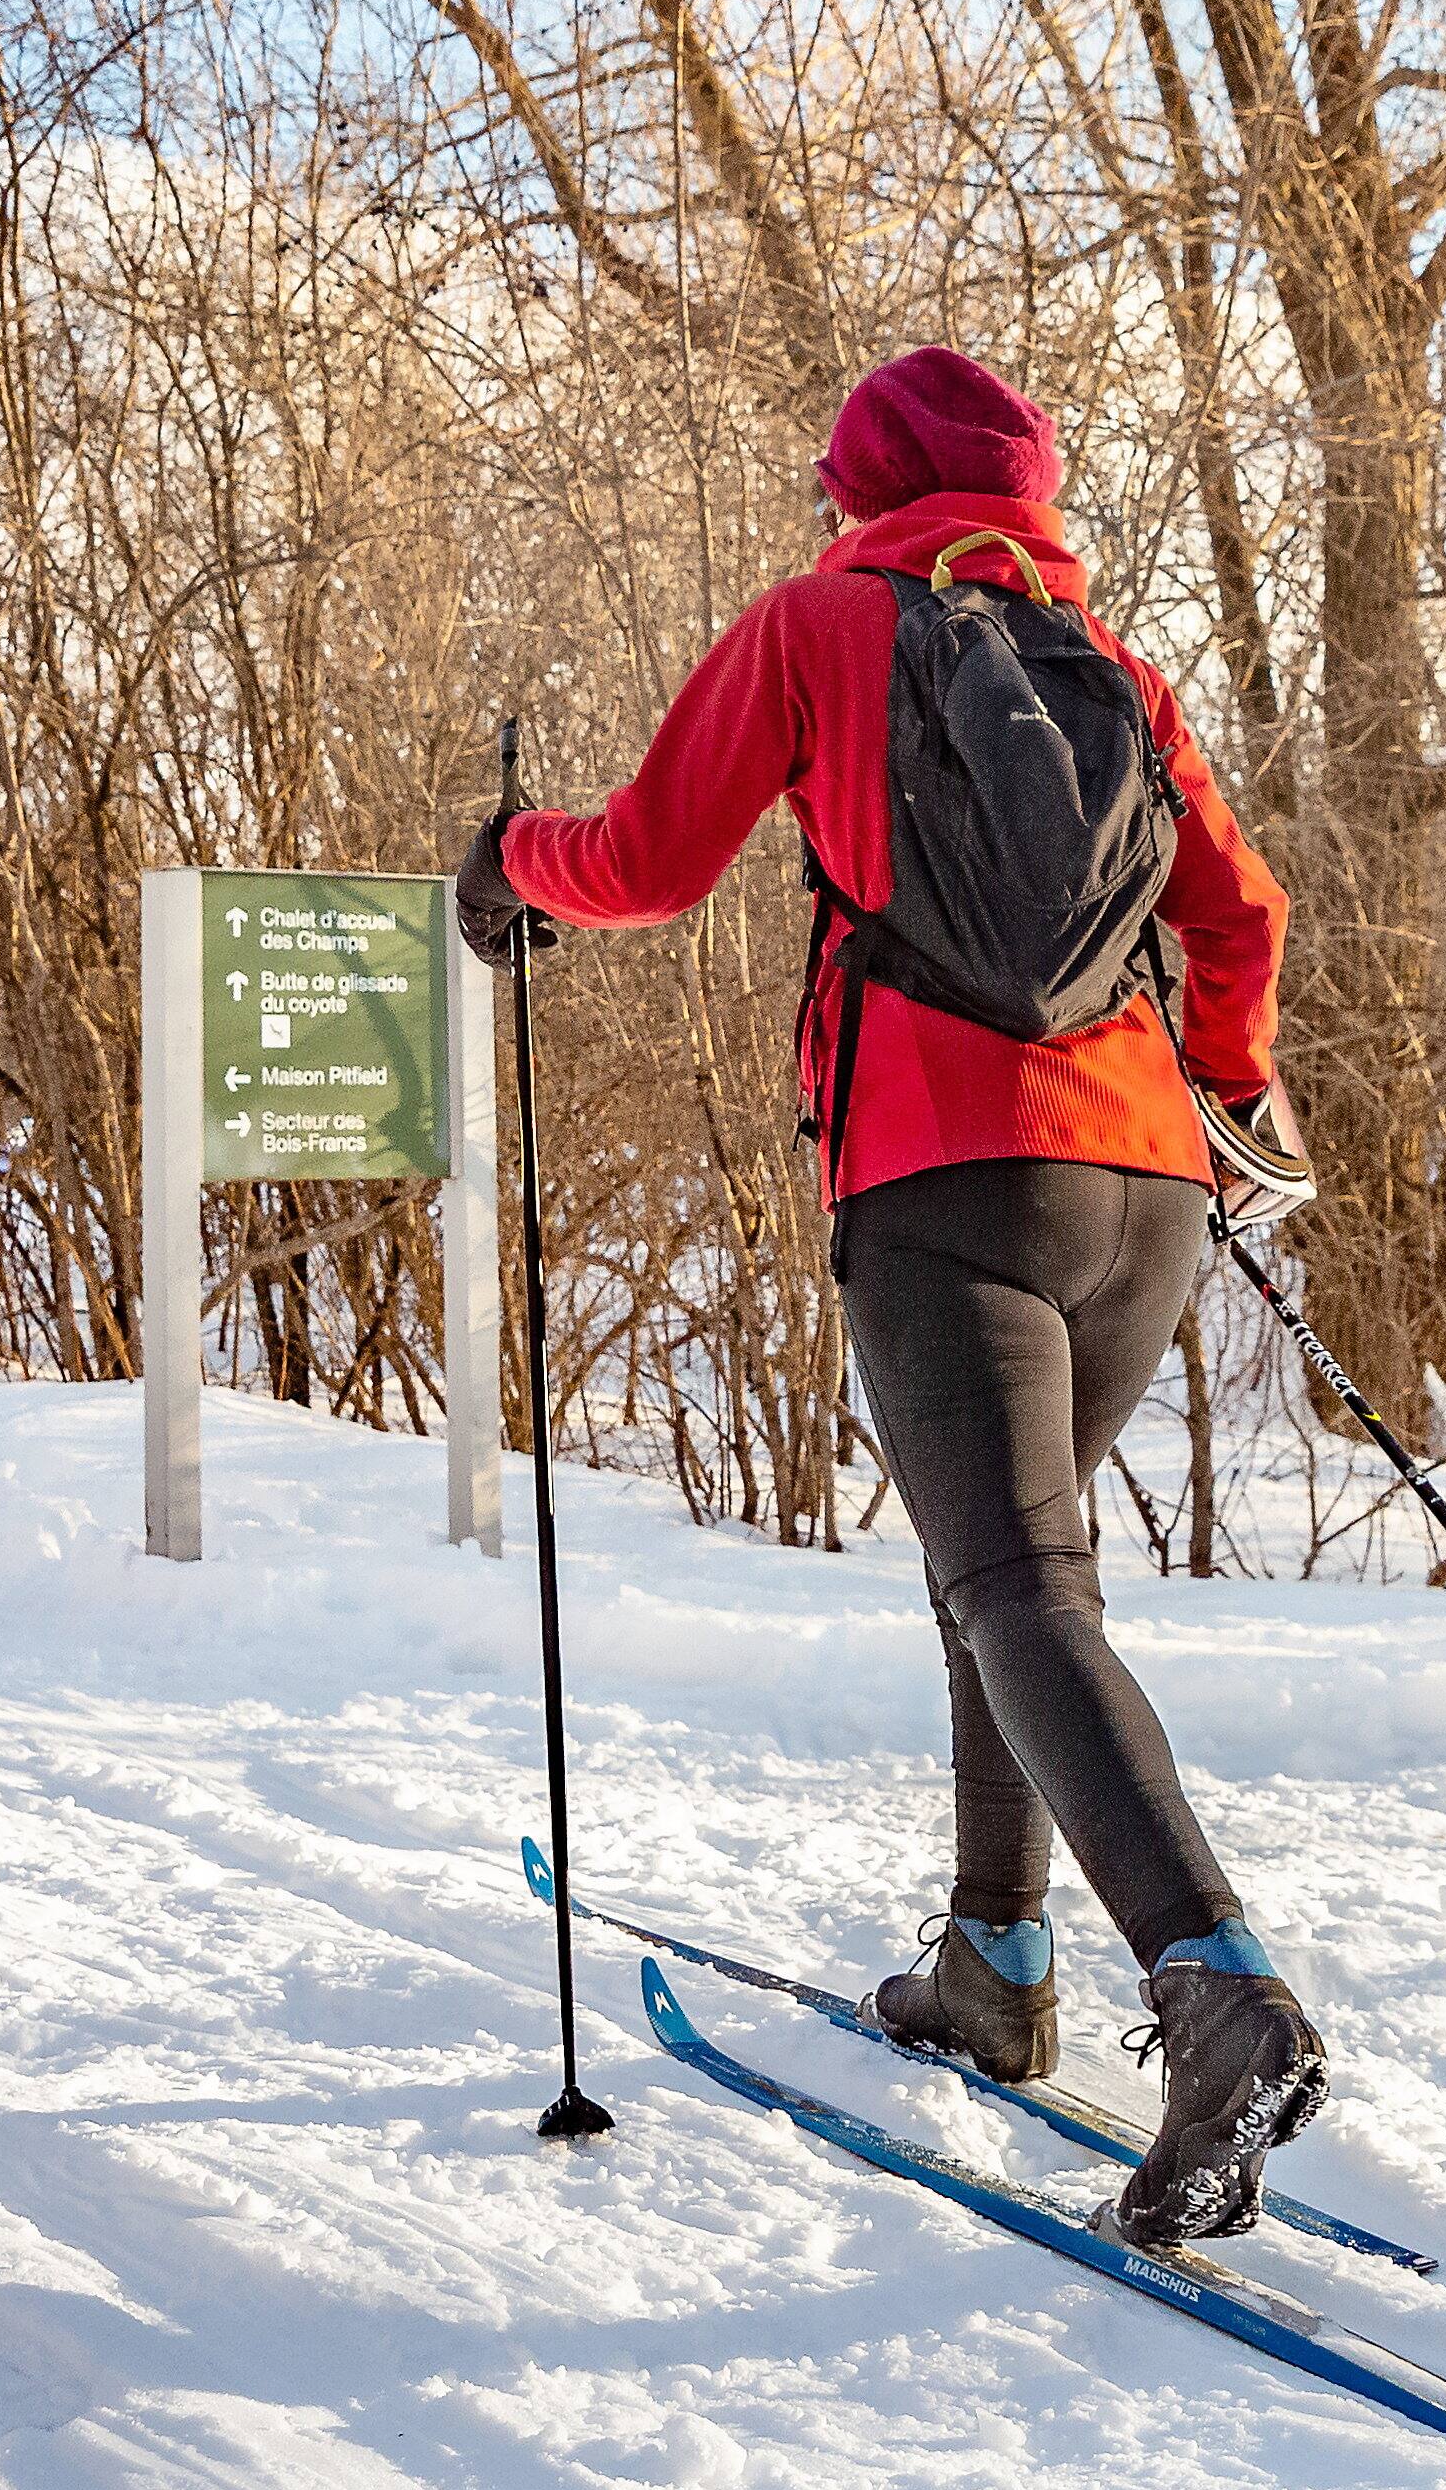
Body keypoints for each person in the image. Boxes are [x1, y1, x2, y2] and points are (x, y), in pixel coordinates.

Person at [457, 343, 1324, 2249]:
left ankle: (1218, 1989)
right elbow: (1239, 911)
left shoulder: (821, 622)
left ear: (858, 489)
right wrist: (1232, 1085)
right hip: (1145, 1186)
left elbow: (643, 857)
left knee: (1012, 1583)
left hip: (942, 1173)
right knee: (998, 1569)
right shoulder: (1109, 666)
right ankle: (994, 1958)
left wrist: (507, 865)